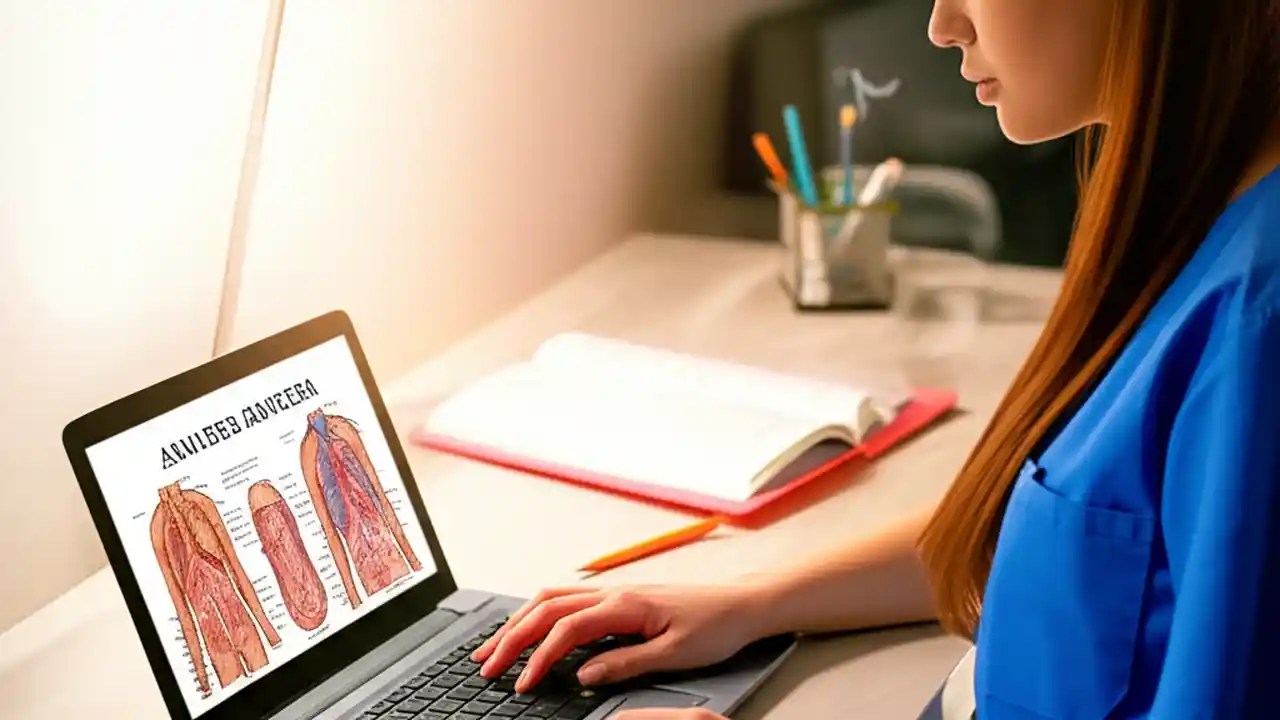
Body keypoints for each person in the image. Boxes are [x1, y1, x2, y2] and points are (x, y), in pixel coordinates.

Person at [474, 0, 1280, 716]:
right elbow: (1071, 540)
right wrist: (751, 600)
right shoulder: (1199, 212)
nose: (942, 23)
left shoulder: (1255, 333)